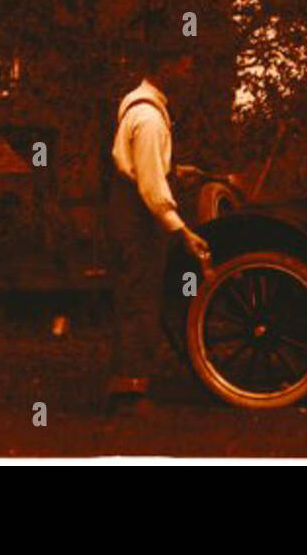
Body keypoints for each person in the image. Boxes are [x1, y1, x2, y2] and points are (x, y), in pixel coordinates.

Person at [105, 44, 211, 414]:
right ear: (164, 66)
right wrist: (183, 231)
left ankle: (132, 381)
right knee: (139, 299)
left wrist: (175, 171)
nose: (188, 73)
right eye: (184, 64)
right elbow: (150, 188)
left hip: (130, 210)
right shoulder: (149, 119)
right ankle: (129, 393)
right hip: (138, 218)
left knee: (138, 295)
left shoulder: (137, 104)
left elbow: (141, 165)